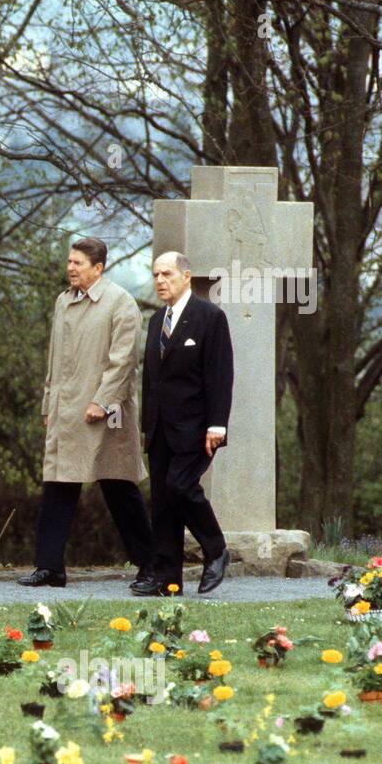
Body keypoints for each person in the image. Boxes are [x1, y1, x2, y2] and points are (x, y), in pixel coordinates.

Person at [20, 237, 155, 592]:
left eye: (78, 263)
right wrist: (49, 405)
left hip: (105, 414)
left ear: (98, 268)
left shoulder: (120, 303)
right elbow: (55, 361)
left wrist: (102, 401)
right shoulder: (63, 302)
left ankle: (151, 565)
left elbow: (123, 361)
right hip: (67, 413)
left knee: (118, 486)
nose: (70, 268)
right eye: (69, 261)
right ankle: (49, 567)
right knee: (57, 485)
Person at [134, 251, 233, 596]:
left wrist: (217, 425)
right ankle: (167, 578)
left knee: (180, 487)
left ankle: (217, 549)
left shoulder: (210, 317)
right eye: (156, 275)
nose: (160, 281)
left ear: (186, 276)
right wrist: (147, 424)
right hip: (159, 428)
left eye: (167, 274)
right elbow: (151, 380)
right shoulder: (156, 320)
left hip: (196, 427)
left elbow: (219, 375)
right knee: (162, 501)